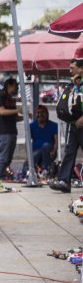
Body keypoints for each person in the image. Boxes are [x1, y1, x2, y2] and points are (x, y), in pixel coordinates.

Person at [50, 57, 83, 193]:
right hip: (74, 124)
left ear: (81, 68)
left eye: (72, 68)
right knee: (69, 152)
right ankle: (64, 181)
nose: (70, 70)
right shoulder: (76, 83)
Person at [0, 77, 21, 179]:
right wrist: (17, 110)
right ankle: (0, 177)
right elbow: (2, 111)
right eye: (16, 86)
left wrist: (26, 116)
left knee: (9, 158)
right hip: (4, 132)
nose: (17, 89)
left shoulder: (11, 99)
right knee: (4, 158)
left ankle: (5, 176)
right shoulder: (1, 97)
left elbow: (15, 118)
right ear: (9, 86)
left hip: (12, 131)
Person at [29, 104, 58, 175]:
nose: (40, 114)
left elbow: (57, 140)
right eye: (38, 113)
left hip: (49, 152)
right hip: (36, 152)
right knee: (28, 163)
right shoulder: (32, 126)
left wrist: (54, 151)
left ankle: (46, 170)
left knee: (45, 145)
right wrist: (29, 155)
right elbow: (27, 142)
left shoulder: (54, 125)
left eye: (42, 112)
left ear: (47, 114)